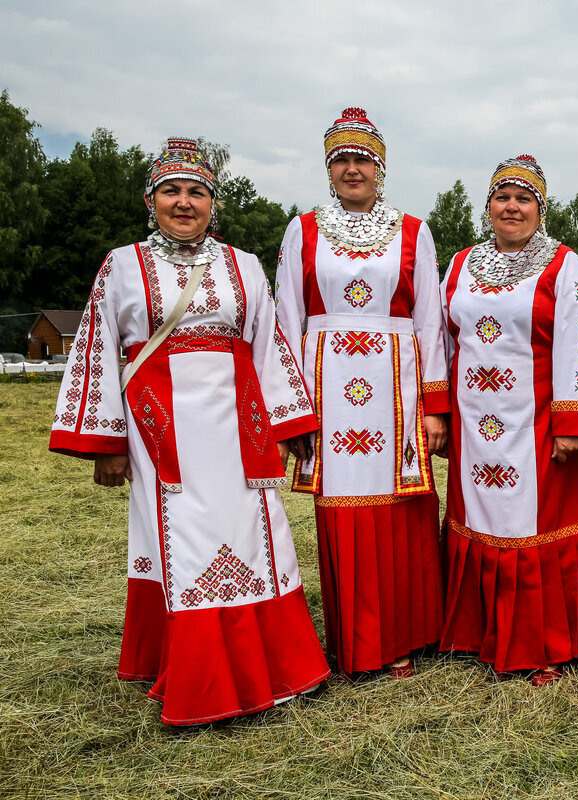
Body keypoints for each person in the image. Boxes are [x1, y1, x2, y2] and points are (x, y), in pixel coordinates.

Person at [49, 138, 330, 725]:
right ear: (151, 200)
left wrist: (290, 420)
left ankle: (273, 667)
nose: (184, 202)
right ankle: (199, 675)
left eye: (196, 192)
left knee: (254, 532)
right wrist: (107, 440)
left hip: (239, 426)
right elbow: (98, 349)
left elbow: (268, 343)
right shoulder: (121, 264)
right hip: (160, 430)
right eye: (171, 191)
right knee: (184, 538)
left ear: (213, 204)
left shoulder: (243, 265)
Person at [275, 108, 448, 680]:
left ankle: (407, 635)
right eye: (341, 160)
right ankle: (357, 641)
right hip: (328, 394)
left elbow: (429, 322)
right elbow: (287, 319)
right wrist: (292, 409)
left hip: (396, 392)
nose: (353, 169)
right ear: (329, 170)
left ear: (380, 168)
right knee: (343, 514)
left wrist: (434, 406)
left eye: (363, 160)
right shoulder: (302, 230)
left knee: (402, 513)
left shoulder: (413, 230)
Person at [439, 155, 578, 684]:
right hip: (472, 420)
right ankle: (477, 630)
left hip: (535, 417)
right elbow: (444, 338)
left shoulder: (564, 263)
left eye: (524, 199)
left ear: (540, 208)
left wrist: (572, 421)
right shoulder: (462, 262)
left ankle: (543, 641)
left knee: (533, 520)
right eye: (502, 197)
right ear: (488, 206)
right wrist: (439, 410)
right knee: (479, 517)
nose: (512, 207)